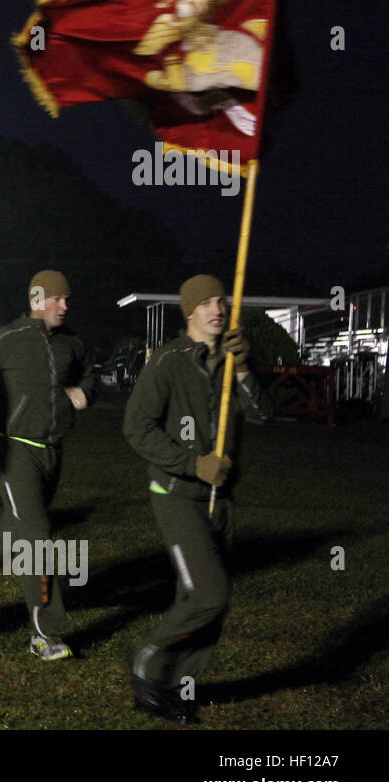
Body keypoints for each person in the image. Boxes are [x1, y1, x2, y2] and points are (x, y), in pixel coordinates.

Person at [123, 274, 270, 724]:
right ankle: (147, 656)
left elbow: (264, 414)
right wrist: (193, 463)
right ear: (189, 311)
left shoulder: (232, 358)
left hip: (220, 496)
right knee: (210, 593)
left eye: (221, 301)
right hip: (176, 494)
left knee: (204, 604)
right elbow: (136, 428)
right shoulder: (168, 361)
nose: (217, 309)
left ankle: (178, 688)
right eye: (206, 303)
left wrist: (243, 370)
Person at [0, 270, 95, 661]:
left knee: (15, 529)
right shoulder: (3, 339)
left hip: (53, 451)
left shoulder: (71, 342)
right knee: (37, 536)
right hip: (13, 452)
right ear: (37, 299)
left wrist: (85, 391)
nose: (65, 305)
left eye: (68, 299)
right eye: (58, 299)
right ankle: (45, 632)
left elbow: (88, 374)